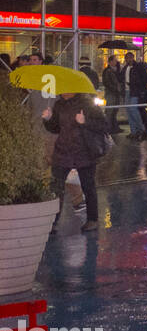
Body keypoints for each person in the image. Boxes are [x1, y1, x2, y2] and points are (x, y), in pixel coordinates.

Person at [43, 92, 110, 232]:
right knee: (56, 188)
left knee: (88, 187)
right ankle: (52, 222)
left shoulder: (87, 103)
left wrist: (85, 121)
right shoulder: (59, 104)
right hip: (63, 152)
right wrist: (48, 119)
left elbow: (104, 125)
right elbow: (55, 128)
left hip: (84, 152)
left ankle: (92, 220)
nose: (61, 91)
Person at [123, 51, 147, 139]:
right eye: (126, 58)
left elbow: (144, 79)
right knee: (129, 111)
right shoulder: (125, 67)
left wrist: (134, 84)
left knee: (133, 109)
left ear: (132, 58)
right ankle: (134, 131)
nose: (127, 60)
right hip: (127, 91)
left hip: (135, 91)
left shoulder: (138, 67)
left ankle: (141, 129)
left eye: (129, 58)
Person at [102, 56, 124, 133]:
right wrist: (115, 88)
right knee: (110, 111)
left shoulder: (116, 70)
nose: (116, 62)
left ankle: (114, 127)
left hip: (116, 93)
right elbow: (106, 82)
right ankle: (108, 128)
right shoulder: (107, 71)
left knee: (114, 111)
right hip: (111, 93)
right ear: (110, 61)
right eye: (115, 61)